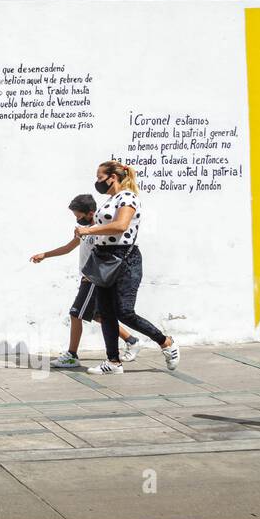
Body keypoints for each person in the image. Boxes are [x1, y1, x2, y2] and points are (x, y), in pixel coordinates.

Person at [79, 160, 180, 375]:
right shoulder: (110, 200)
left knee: (124, 311)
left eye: (100, 178)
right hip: (104, 258)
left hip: (124, 259)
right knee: (106, 313)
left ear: (112, 177)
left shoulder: (128, 198)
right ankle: (113, 362)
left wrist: (90, 230)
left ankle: (166, 342)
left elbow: (121, 225)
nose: (97, 182)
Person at [31, 193, 138, 368]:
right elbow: (68, 248)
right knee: (98, 316)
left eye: (78, 215)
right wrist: (45, 255)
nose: (77, 219)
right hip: (86, 278)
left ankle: (72, 355)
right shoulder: (84, 230)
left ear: (90, 212)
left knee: (75, 313)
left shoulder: (100, 229)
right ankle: (131, 340)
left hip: (93, 278)